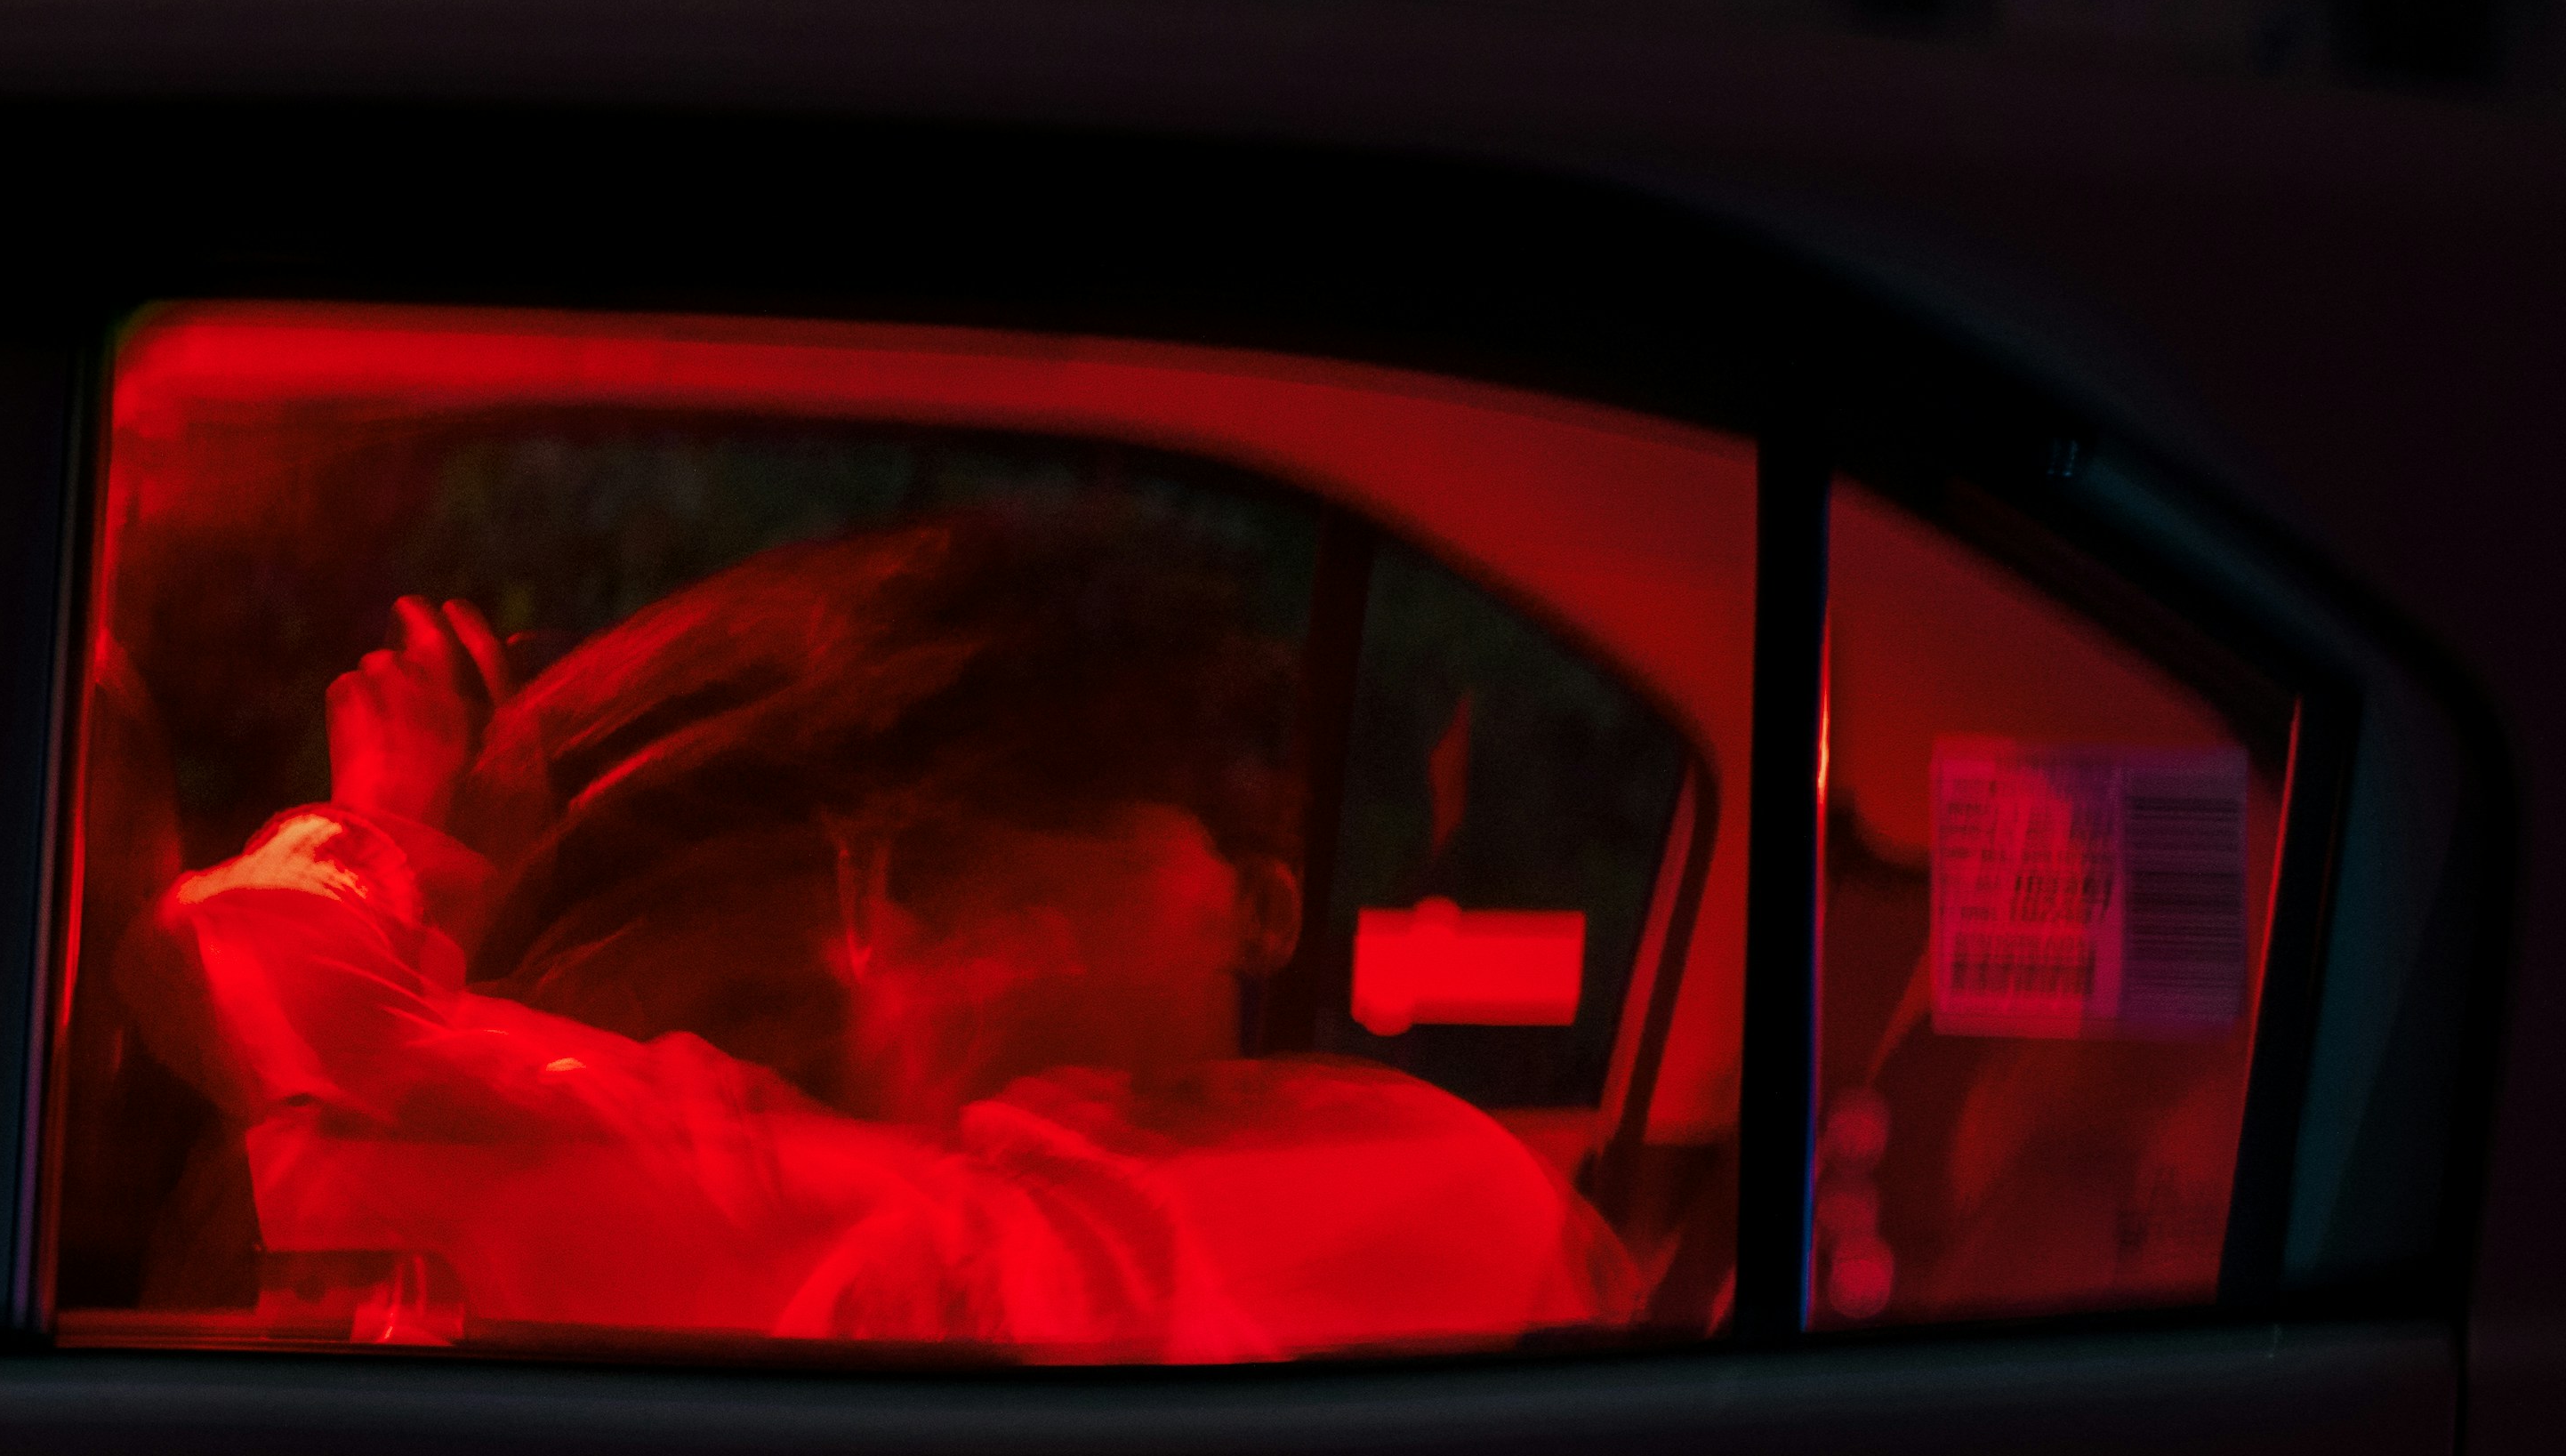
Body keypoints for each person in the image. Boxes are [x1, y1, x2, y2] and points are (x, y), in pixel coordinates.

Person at [117, 510, 1629, 1359]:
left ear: (1253, 903)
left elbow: (269, 992)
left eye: (1002, 843)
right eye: (882, 869)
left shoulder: (925, 1232)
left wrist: (388, 823)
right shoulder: (1451, 1178)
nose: (899, 938)